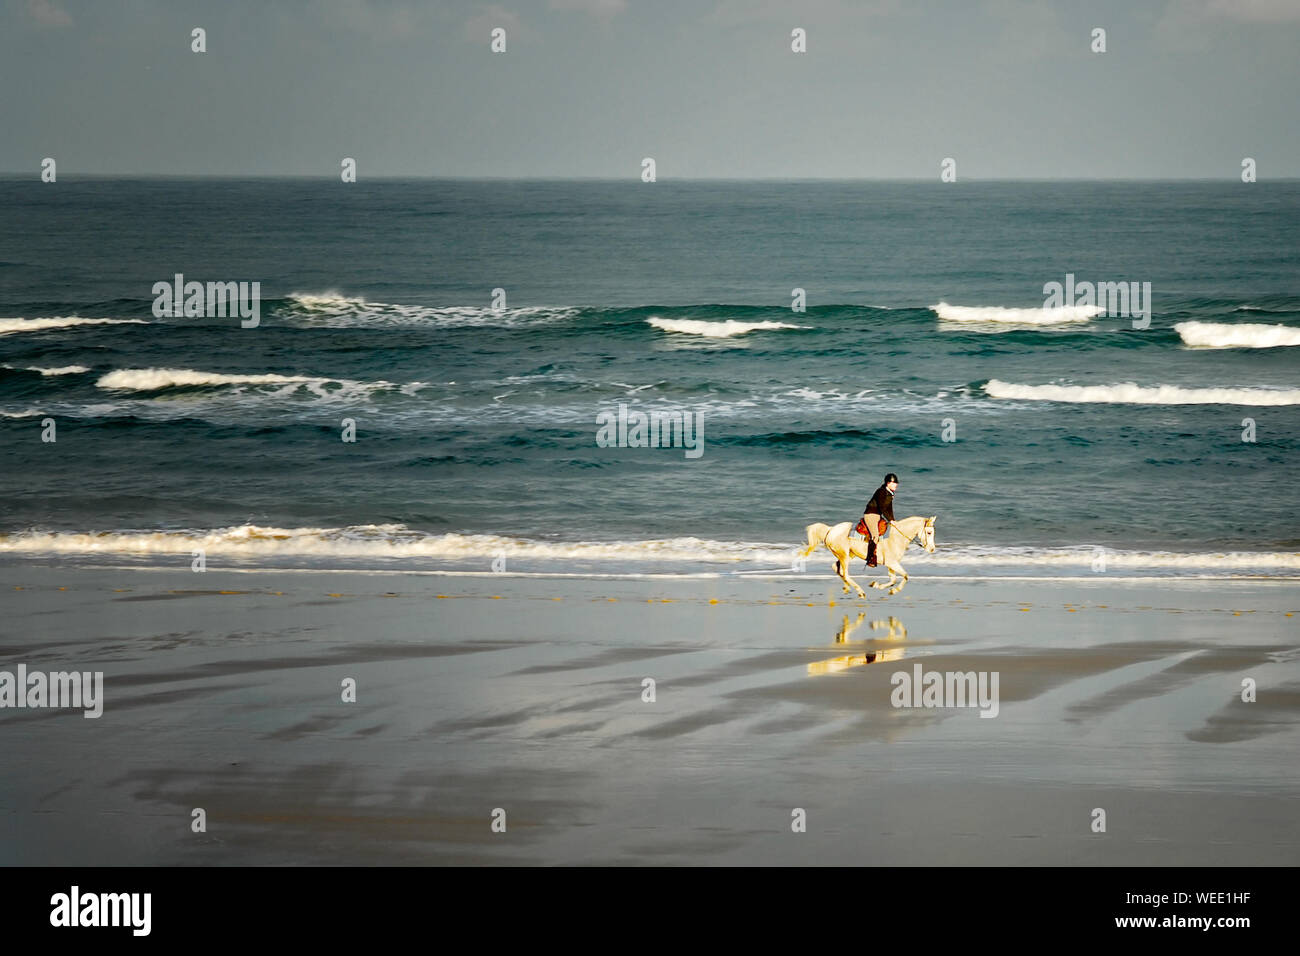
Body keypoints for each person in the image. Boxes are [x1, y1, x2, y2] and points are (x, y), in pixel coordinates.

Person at [857, 473, 898, 565]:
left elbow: (889, 508)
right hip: (871, 514)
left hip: (878, 515)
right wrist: (890, 520)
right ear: (888, 483)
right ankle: (870, 559)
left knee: (882, 534)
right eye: (894, 483)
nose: (896, 485)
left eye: (896, 483)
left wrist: (893, 519)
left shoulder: (890, 493)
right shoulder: (881, 491)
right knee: (875, 535)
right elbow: (882, 507)